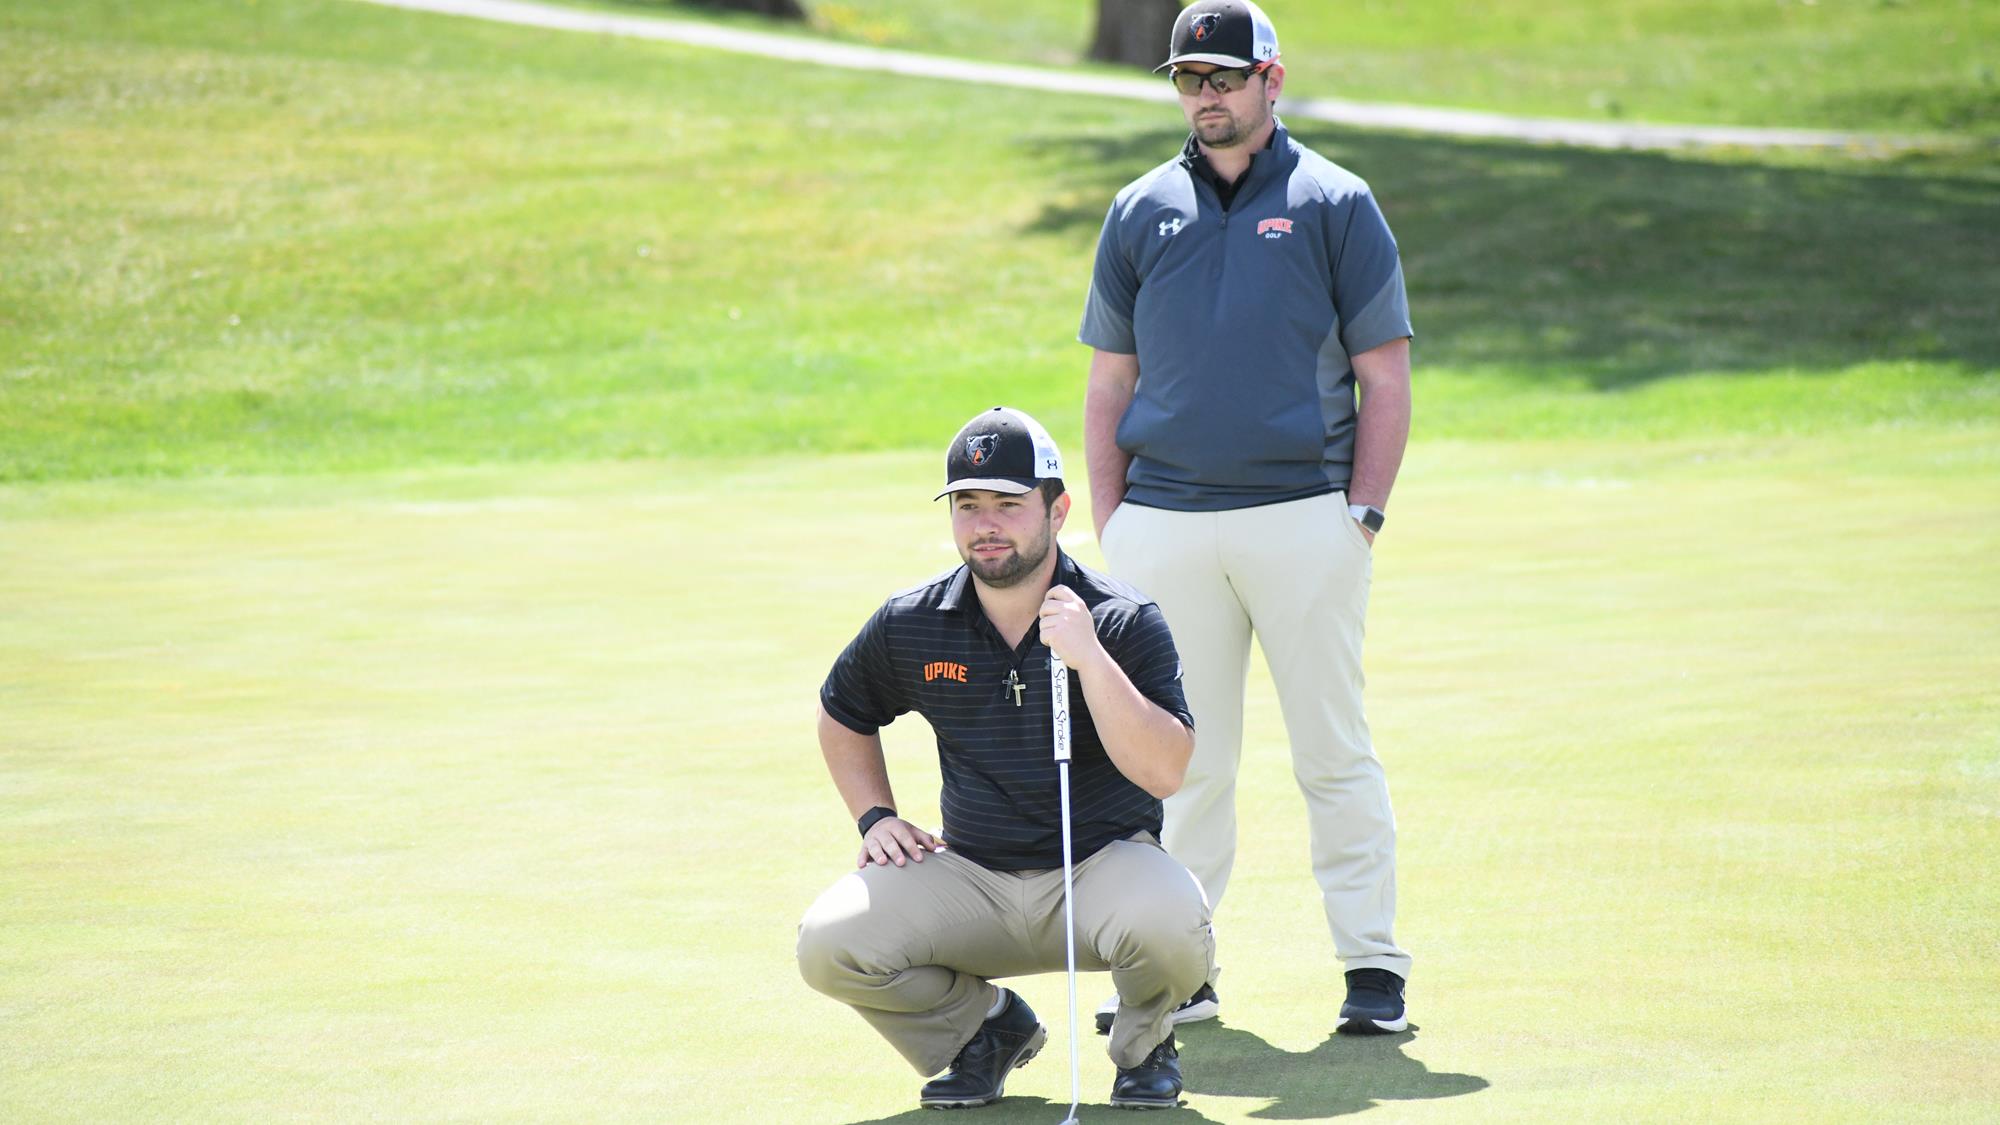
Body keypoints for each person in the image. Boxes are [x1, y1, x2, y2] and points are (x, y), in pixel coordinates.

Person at [1077, 0, 1416, 1036]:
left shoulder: (1335, 202)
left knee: (1331, 751)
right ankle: (1178, 972)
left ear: (1270, 78)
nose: (1204, 96)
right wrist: (1111, 530)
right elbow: (1107, 385)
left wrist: (1359, 513)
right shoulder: (1139, 208)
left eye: (1223, 77)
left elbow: (1384, 377)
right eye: (1188, 79)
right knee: (1182, 763)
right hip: (1164, 526)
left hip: (1303, 517)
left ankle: (1371, 972)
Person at [795, 407, 1215, 1111]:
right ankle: (984, 1030)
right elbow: (842, 712)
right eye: (968, 505)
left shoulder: (1121, 617)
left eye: (1009, 504)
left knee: (1173, 920)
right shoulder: (914, 618)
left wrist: (1089, 660)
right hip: (973, 876)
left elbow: (1166, 769)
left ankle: (1145, 1047)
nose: (986, 523)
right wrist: (875, 816)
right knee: (828, 943)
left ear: (1058, 510)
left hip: (1101, 869)